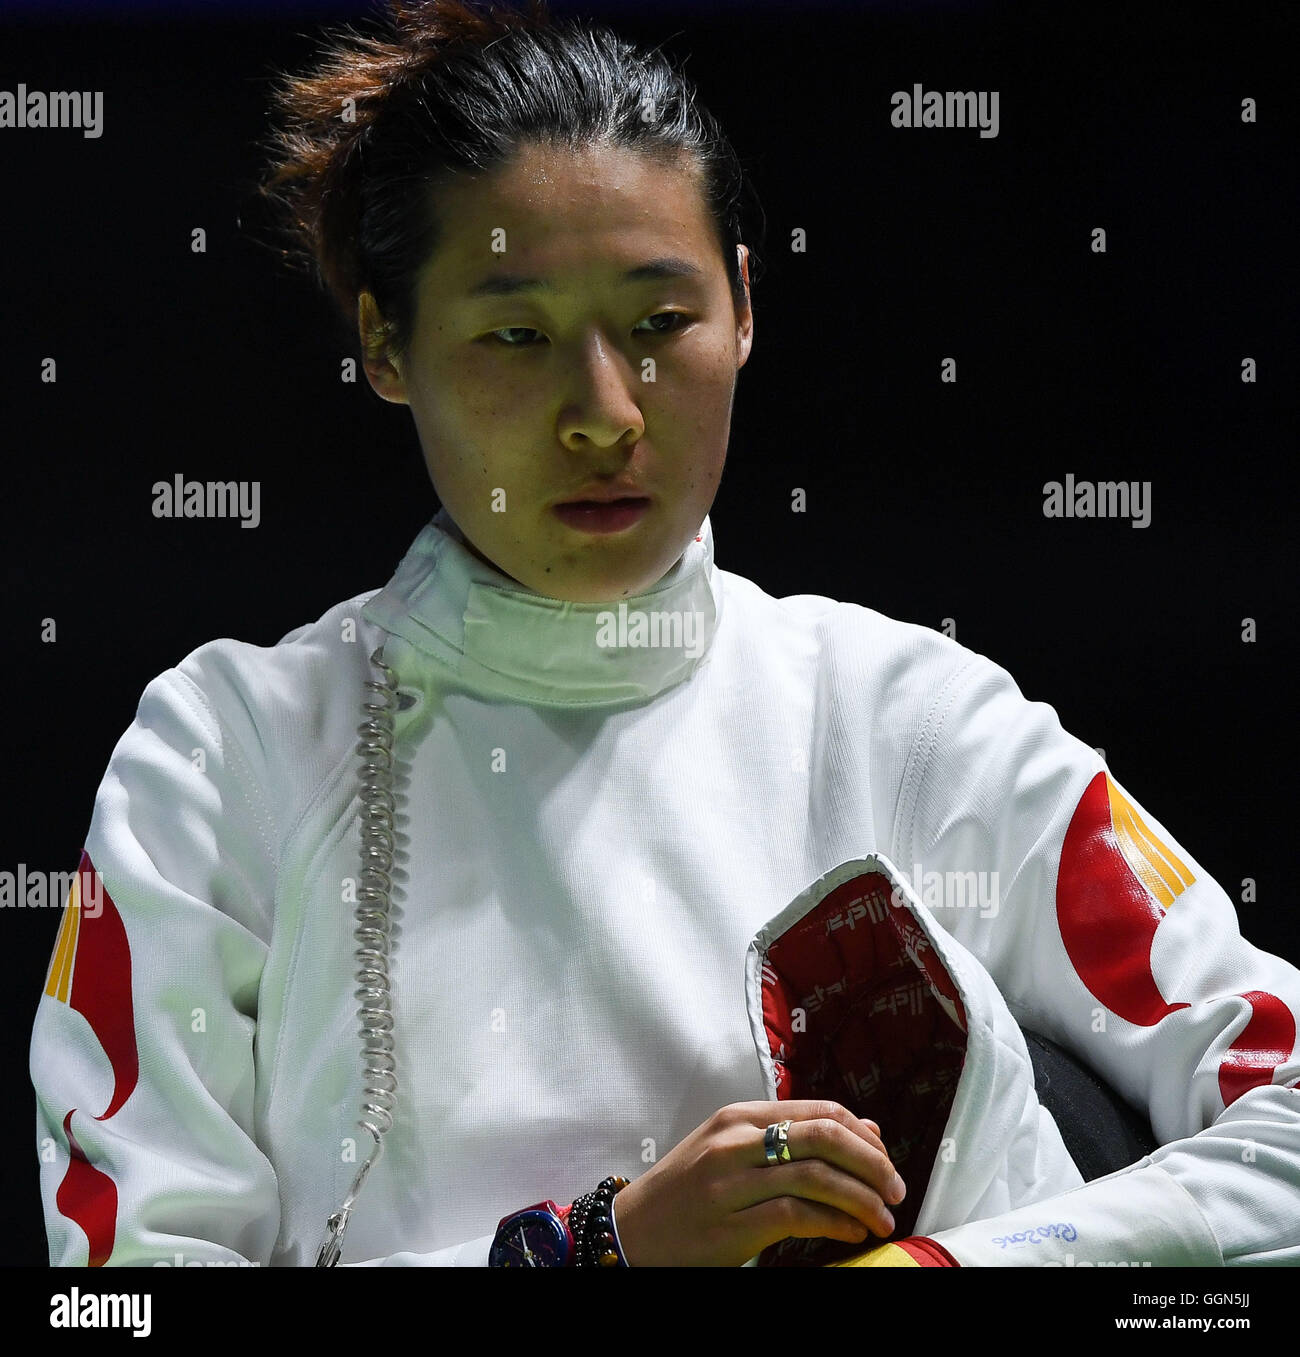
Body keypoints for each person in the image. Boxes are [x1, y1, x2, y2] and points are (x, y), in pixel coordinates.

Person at [30, 0, 1300, 1269]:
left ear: (743, 307)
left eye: (657, 325)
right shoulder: (225, 756)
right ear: (385, 344)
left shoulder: (910, 718)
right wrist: (591, 1255)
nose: (601, 413)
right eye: (516, 336)